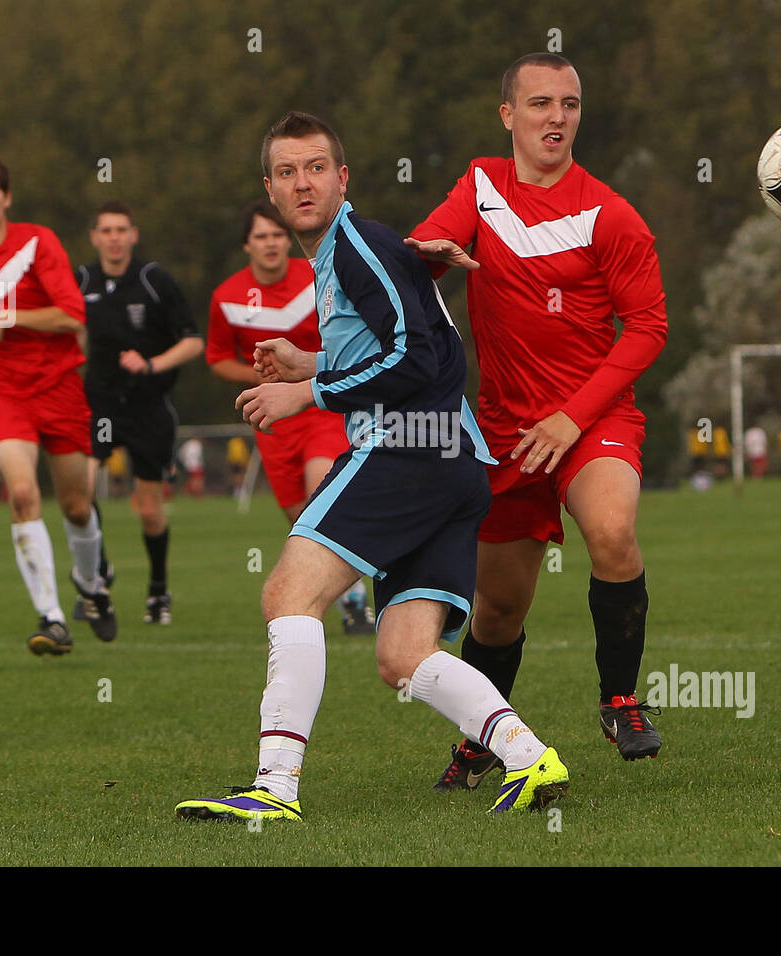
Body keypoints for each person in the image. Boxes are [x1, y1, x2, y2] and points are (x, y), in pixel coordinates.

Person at [174, 111, 568, 822]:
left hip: (405, 449)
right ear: (270, 188)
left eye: (316, 168)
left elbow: (418, 359)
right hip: (449, 461)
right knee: (403, 653)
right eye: (288, 172)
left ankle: (275, 788)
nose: (303, 183)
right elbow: (405, 349)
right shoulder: (345, 252)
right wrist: (313, 360)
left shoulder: (357, 245)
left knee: (288, 594)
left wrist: (307, 390)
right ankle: (529, 757)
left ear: (342, 176)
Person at [407, 53, 668, 789]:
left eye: (571, 104)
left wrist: (572, 416)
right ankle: (482, 736)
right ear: (508, 115)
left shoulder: (611, 214)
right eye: (542, 103)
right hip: (504, 432)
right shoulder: (481, 185)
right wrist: (422, 257)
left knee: (612, 534)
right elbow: (427, 248)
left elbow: (648, 327)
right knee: (497, 609)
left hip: (594, 419)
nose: (557, 116)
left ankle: (619, 701)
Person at [0, 154, 114, 655]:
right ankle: (53, 619)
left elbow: (72, 315)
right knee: (21, 494)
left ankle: (91, 584)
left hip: (58, 386)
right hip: (1, 391)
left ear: (7, 197)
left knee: (78, 506)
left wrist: (11, 316)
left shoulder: (39, 241)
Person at [207, 199, 374, 635]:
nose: (271, 244)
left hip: (320, 402)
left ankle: (358, 603)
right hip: (274, 417)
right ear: (247, 245)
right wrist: (261, 376)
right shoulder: (226, 296)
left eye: (278, 235)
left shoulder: (319, 274)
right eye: (261, 236)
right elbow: (218, 358)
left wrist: (309, 371)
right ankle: (350, 595)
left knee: (321, 486)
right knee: (301, 514)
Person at [75, 201, 203, 626]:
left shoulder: (154, 280)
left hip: (148, 407)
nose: (114, 237)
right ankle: (98, 571)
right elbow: (67, 333)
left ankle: (158, 591)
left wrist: (152, 365)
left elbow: (192, 342)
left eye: (121, 229)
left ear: (133, 235)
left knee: (148, 509)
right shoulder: (81, 281)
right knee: (81, 489)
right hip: (101, 406)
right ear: (94, 236)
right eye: (106, 230)